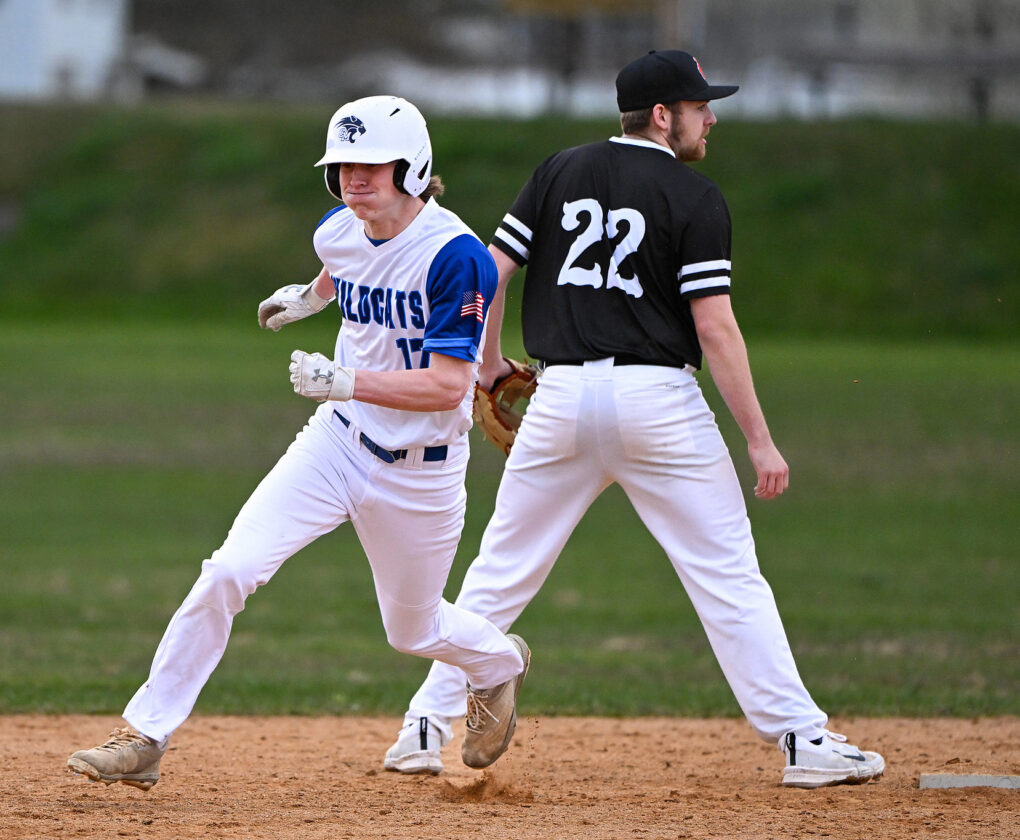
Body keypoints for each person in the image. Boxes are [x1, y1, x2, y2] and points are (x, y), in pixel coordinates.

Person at [383, 51, 885, 789]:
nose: (710, 117)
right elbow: (714, 328)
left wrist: (487, 364)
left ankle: (422, 727)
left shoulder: (559, 170)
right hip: (659, 405)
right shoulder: (695, 194)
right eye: (699, 106)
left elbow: (485, 273)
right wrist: (759, 438)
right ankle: (801, 742)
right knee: (727, 575)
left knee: (499, 574)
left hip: (559, 399)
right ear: (662, 115)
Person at [66, 95, 530, 791]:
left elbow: (445, 387)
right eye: (341, 166)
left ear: (414, 167)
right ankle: (146, 734)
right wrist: (308, 301)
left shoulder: (453, 255)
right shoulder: (340, 230)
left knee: (412, 630)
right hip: (337, 444)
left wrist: (346, 379)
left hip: (422, 471)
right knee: (228, 570)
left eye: (371, 166)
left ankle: (497, 666)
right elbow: (338, 266)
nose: (352, 180)